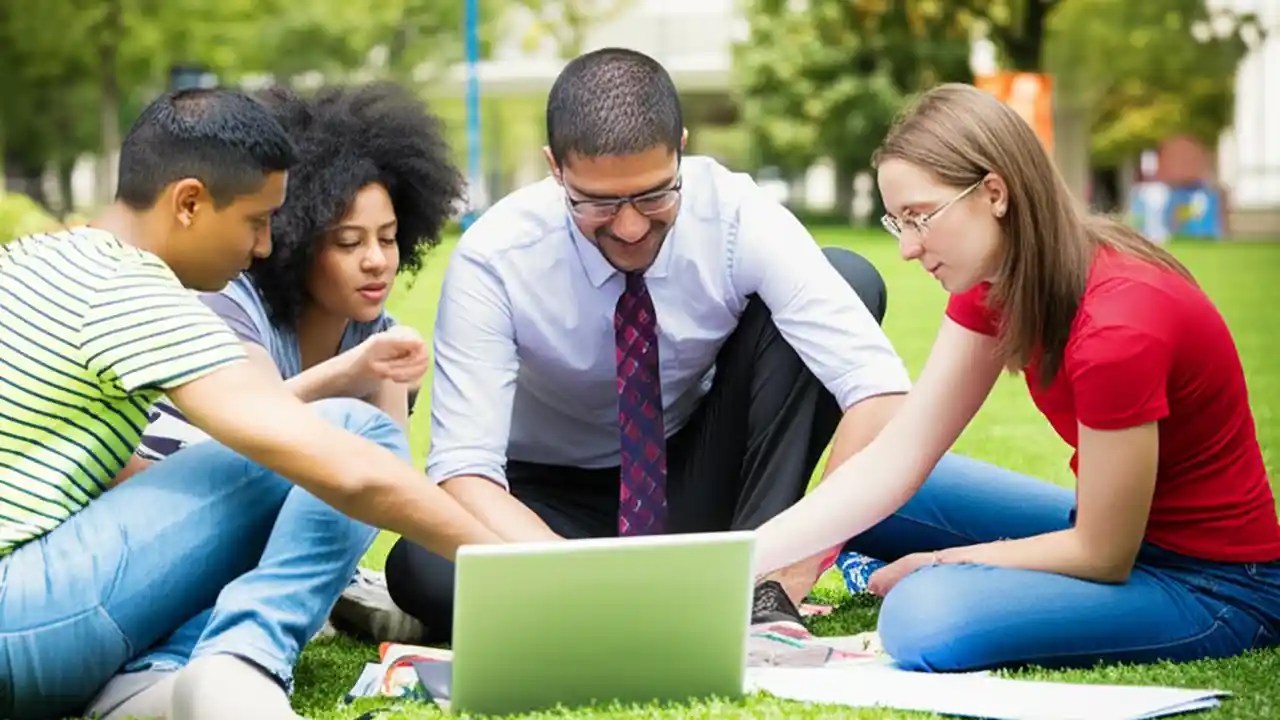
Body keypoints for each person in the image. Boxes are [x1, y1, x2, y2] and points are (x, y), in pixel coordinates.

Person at [0, 88, 499, 720]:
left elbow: (119, 482)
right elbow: (341, 461)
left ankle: (151, 689)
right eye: (256, 221)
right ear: (189, 203)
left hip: (35, 611)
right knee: (356, 431)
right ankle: (243, 662)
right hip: (22, 620)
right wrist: (505, 563)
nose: (265, 247)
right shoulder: (132, 291)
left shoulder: (38, 259)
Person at [383, 47, 913, 642]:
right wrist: (582, 576)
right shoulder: (496, 258)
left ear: (681, 148)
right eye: (598, 203)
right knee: (423, 568)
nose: (630, 227)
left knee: (849, 276)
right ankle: (635, 606)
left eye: (654, 195)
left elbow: (879, 392)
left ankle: (755, 591)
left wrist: (794, 562)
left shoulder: (738, 214)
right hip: (545, 501)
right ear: (555, 167)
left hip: (692, 475)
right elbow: (466, 471)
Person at [752, 83, 1280, 672]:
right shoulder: (996, 279)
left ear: (995, 194)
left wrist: (941, 563)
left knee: (923, 618)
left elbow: (1104, 553)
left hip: (1211, 584)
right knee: (871, 476)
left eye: (919, 218)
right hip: (1104, 527)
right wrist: (742, 559)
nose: (906, 248)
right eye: (896, 221)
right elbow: (903, 452)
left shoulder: (1118, 327)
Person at [131, 81, 462, 644]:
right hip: (168, 514)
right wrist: (350, 371)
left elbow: (389, 479)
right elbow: (245, 423)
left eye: (388, 238)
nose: (376, 261)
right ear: (298, 241)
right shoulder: (230, 304)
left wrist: (379, 377)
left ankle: (335, 590)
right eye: (348, 242)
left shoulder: (373, 335)